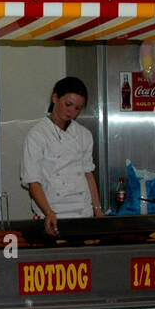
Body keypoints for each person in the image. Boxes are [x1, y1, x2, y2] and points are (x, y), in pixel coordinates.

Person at [21, 76, 103, 235]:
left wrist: (97, 210)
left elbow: (88, 174)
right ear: (55, 97)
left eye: (78, 108)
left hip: (83, 213)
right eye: (68, 104)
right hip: (52, 214)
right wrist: (49, 213)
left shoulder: (84, 135)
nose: (71, 112)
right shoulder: (37, 135)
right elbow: (33, 182)